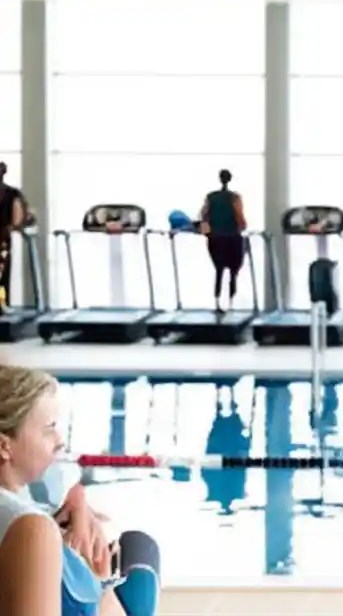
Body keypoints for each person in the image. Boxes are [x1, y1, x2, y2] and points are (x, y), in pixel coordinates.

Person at [0, 366, 161, 616]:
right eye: (49, 428)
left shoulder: (27, 515)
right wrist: (97, 582)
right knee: (141, 549)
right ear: (4, 446)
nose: (60, 440)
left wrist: (77, 504)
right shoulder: (31, 529)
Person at [199, 169, 248, 314]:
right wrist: (241, 227)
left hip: (215, 238)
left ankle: (217, 301)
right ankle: (231, 302)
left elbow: (203, 215)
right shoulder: (235, 198)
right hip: (232, 237)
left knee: (218, 270)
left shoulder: (211, 196)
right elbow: (240, 218)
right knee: (234, 271)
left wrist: (206, 234)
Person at [0, 163, 27, 312]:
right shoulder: (11, 193)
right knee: (2, 274)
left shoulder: (11, 194)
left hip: (3, 237)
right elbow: (18, 218)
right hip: (3, 238)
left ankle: (2, 304)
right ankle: (2, 305)